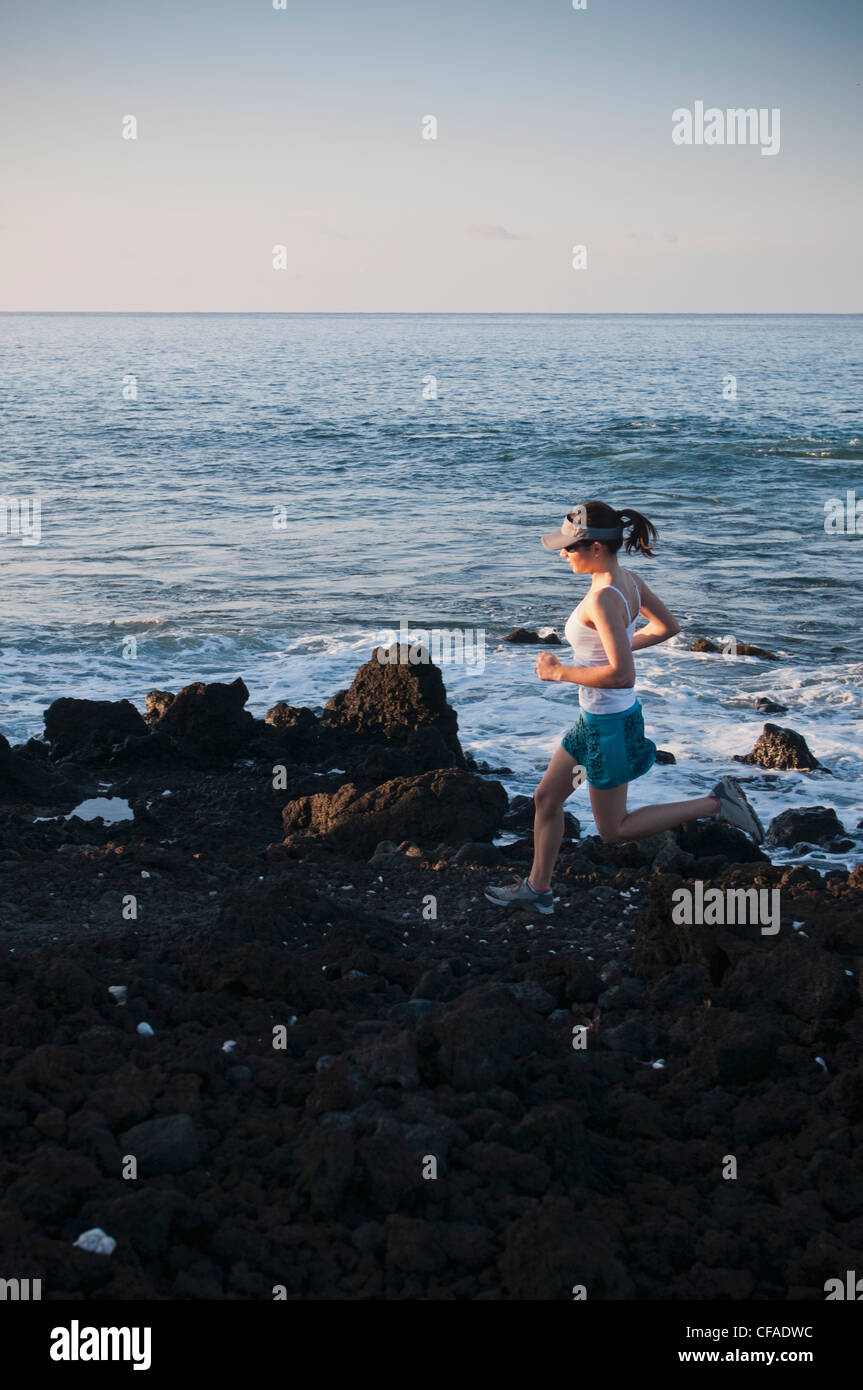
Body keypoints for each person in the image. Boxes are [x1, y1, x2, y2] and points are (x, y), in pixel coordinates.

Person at [485, 500, 764, 916]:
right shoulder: (629, 581)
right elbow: (668, 627)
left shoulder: (604, 598)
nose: (562, 553)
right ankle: (538, 888)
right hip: (597, 720)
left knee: (613, 830)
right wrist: (614, 649)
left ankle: (716, 804)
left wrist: (559, 672)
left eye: (569, 547)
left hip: (608, 725)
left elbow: (620, 675)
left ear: (597, 548)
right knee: (546, 799)